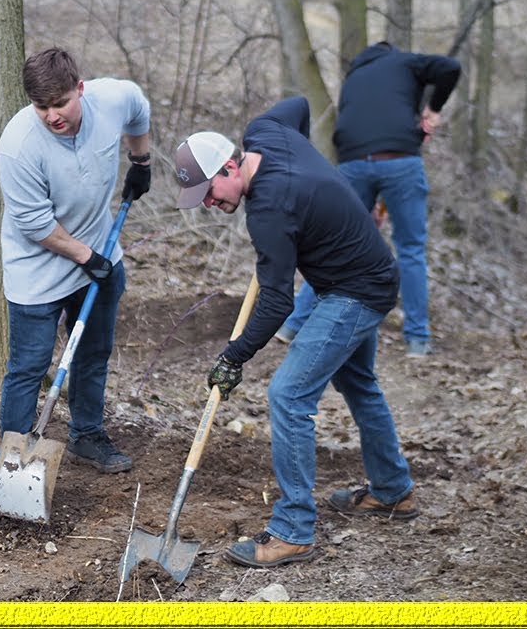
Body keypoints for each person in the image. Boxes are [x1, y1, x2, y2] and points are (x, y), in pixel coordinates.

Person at [174, 96, 418, 569]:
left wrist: (234, 355)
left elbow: (278, 303)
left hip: (356, 292)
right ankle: (393, 491)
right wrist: (313, 184)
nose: (208, 203)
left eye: (209, 191)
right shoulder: (267, 132)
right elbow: (300, 105)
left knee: (288, 396)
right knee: (359, 384)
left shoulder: (269, 210)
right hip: (368, 272)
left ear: (229, 165)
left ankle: (293, 531)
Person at [0, 48, 153, 473]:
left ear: (79, 89)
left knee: (93, 352)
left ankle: (87, 435)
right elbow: (34, 223)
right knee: (28, 365)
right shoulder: (18, 145)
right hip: (37, 268)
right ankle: (12, 456)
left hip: (99, 251)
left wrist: (141, 159)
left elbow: (140, 109)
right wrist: (86, 256)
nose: (52, 115)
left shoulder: (111, 99)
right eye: (41, 107)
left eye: (60, 103)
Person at [276, 41, 461, 357]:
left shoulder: (354, 78)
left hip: (352, 164)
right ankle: (417, 339)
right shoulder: (404, 62)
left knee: (335, 244)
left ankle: (292, 324)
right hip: (400, 159)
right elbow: (450, 68)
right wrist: (433, 109)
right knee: (411, 248)